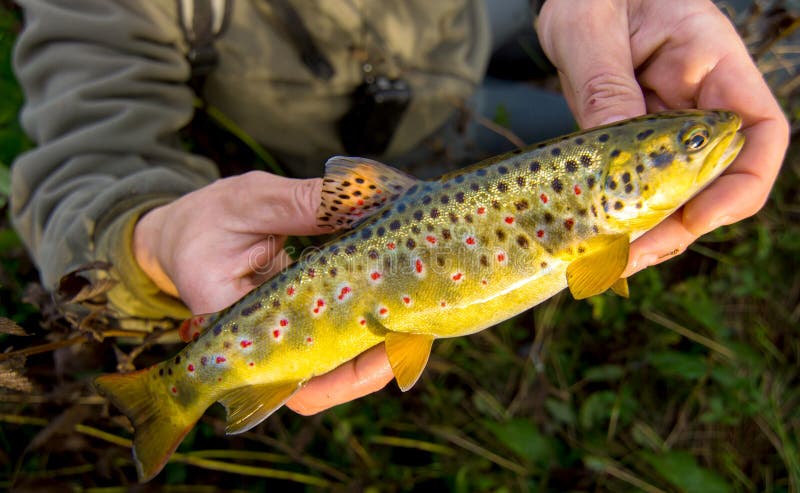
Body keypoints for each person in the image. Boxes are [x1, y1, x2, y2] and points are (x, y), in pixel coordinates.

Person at [10, 0, 788, 417]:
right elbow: (75, 167)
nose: (702, 146)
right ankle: (174, 392)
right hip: (413, 152)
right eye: (681, 150)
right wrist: (150, 240)